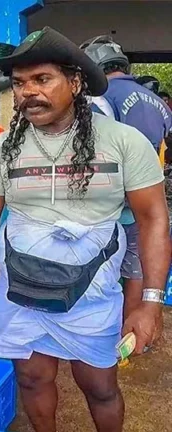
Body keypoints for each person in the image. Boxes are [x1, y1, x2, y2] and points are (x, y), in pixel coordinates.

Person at [0, 28, 171, 432]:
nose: (28, 93)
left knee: (99, 384)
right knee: (31, 377)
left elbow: (153, 220)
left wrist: (150, 301)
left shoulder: (123, 143)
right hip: (20, 293)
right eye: (19, 83)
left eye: (42, 79)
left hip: (93, 295)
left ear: (75, 83)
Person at [81, 35, 172, 327]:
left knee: (96, 267)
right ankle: (129, 330)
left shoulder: (100, 96)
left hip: (108, 201)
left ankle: (96, 330)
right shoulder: (158, 101)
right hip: (145, 197)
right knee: (136, 267)